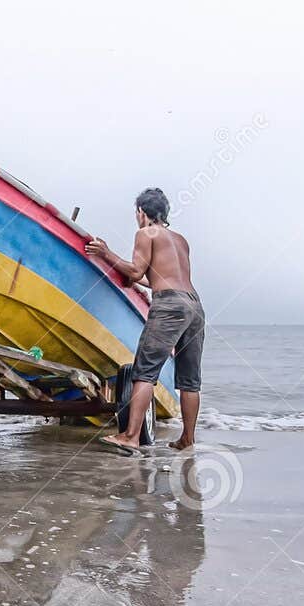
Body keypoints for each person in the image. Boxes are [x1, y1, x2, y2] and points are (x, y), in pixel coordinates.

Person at [85, 188, 204, 450]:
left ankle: (131, 437)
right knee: (189, 380)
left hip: (169, 305)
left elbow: (138, 271)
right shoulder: (180, 240)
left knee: (145, 372)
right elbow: (160, 276)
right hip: (194, 305)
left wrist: (105, 253)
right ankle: (187, 439)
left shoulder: (145, 233)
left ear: (141, 212)